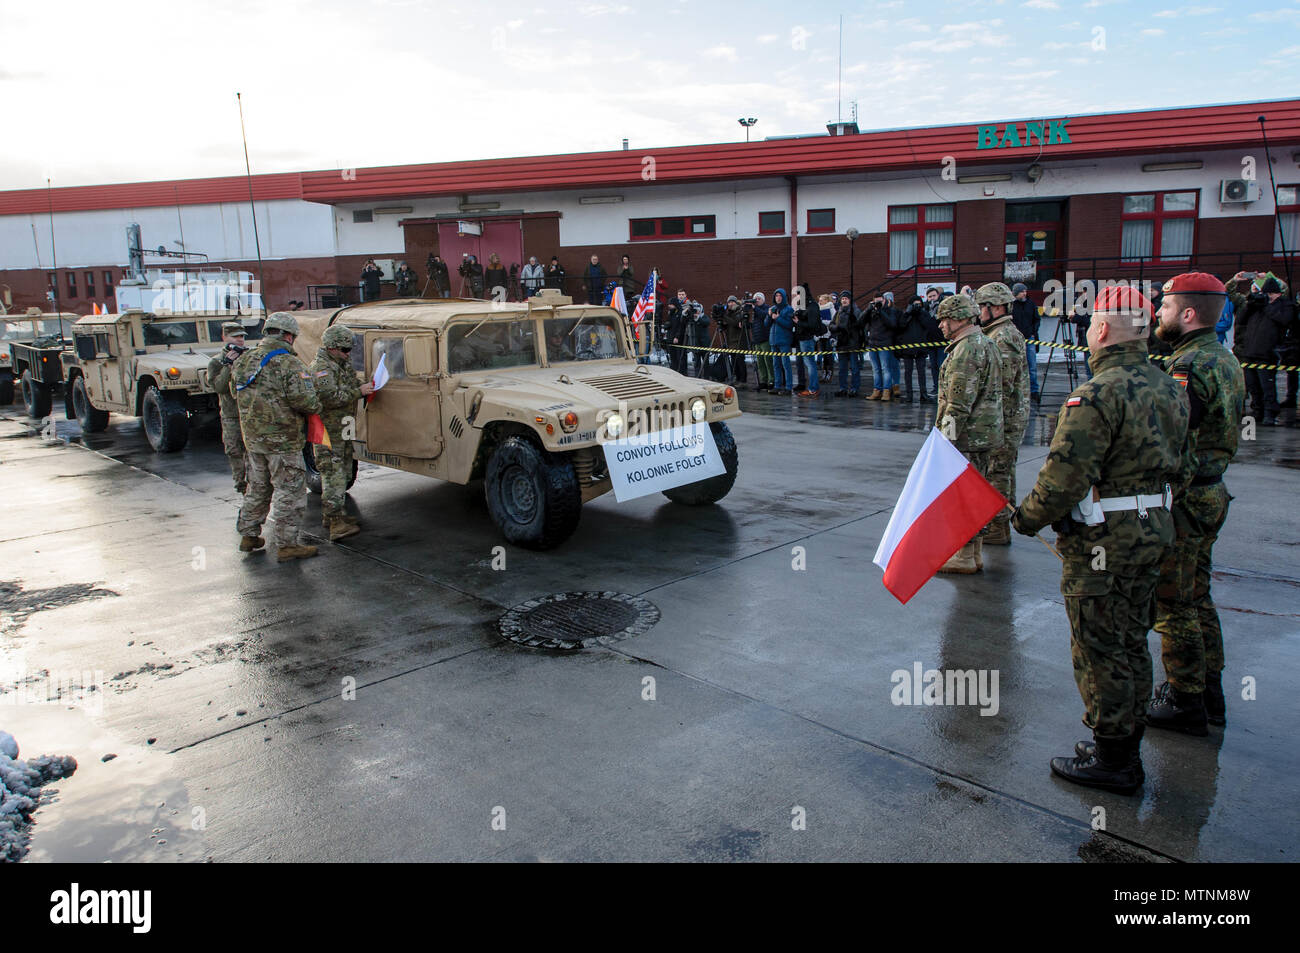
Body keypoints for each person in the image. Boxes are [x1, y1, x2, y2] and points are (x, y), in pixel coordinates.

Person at [1011, 285, 1190, 795]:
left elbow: (1064, 477)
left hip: (1103, 544)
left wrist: (1024, 519)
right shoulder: (1169, 386)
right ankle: (1122, 744)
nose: (1088, 333)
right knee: (1132, 641)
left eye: (1091, 324)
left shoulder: (1096, 394)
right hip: (1153, 532)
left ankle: (1114, 760)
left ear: (1103, 330)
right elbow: (1185, 462)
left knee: (1099, 650)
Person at [1148, 273, 1246, 735]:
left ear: (1188, 314)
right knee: (1198, 595)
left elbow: (1172, 436)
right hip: (1212, 490)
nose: (1158, 314)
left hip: (1187, 497)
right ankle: (1210, 693)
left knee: (1174, 602)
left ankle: (1184, 700)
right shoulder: (1223, 358)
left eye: (1165, 307)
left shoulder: (1188, 366)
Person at [231, 312, 323, 562]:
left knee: (258, 487)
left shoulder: (245, 359)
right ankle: (286, 544)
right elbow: (305, 401)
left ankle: (249, 534)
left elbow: (233, 391)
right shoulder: (289, 363)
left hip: (253, 439)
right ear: (288, 335)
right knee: (289, 490)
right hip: (282, 441)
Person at [933, 294, 1003, 574]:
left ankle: (963, 555)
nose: (941, 325)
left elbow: (958, 405)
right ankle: (973, 553)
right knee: (975, 496)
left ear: (961, 318)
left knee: (961, 497)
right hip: (984, 436)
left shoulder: (965, 352)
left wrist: (944, 443)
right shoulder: (986, 343)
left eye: (945, 319)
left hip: (966, 439)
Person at [975, 282, 1030, 545]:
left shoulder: (1003, 336)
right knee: (1002, 471)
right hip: (1004, 415)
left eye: (981, 306)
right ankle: (999, 525)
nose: (978, 312)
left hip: (1004, 417)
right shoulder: (998, 332)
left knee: (997, 472)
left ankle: (997, 527)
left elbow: (1002, 380)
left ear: (995, 307)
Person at [309, 324, 376, 542]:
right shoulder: (322, 368)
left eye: (350, 350)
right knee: (333, 474)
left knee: (345, 468)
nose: (349, 354)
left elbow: (350, 382)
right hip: (330, 430)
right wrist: (359, 392)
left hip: (345, 425)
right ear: (332, 347)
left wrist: (365, 385)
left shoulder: (340, 363)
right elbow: (329, 397)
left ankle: (336, 516)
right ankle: (335, 522)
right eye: (345, 350)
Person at [1227, 271, 1291, 426]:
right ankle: (1257, 412)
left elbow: (1284, 320)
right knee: (1252, 385)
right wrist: (1251, 303)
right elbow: (1241, 319)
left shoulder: (1284, 305)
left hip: (1267, 353)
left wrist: (1268, 305)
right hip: (1249, 351)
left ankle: (1270, 412)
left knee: (1267, 386)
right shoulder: (1255, 305)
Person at [207, 321, 250, 494]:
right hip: (232, 415)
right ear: (225, 338)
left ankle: (257, 484)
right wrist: (228, 366)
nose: (240, 340)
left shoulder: (249, 357)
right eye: (235, 337)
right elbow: (219, 387)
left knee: (254, 451)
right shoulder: (217, 362)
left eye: (242, 337)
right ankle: (241, 485)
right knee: (235, 451)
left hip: (251, 412)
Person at [895, 295, 929, 403]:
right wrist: (908, 313)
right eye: (914, 304)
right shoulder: (905, 314)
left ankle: (924, 394)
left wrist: (919, 313)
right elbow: (900, 326)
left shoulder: (924, 313)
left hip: (921, 347)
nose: (916, 306)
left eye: (918, 304)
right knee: (908, 372)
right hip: (907, 348)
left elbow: (927, 325)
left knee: (921, 372)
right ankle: (909, 395)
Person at [1010, 283, 1041, 403]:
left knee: (1031, 366)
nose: (1025, 293)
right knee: (1015, 366)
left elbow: (1037, 319)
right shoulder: (1012, 306)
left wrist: (1033, 332)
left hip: (1029, 338)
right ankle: (1017, 391)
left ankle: (1034, 391)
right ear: (1016, 293)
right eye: (1022, 291)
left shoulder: (1030, 304)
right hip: (1015, 340)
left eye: (1025, 291)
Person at [831, 290, 863, 396]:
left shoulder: (855, 311)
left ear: (850, 300)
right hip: (841, 343)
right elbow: (831, 325)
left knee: (854, 368)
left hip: (852, 342)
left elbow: (860, 324)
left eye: (846, 298)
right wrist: (837, 328)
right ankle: (842, 388)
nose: (844, 300)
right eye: (842, 299)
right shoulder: (838, 312)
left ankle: (855, 388)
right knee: (842, 368)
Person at [793, 283, 820, 397]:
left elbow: (812, 324)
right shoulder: (804, 305)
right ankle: (809, 386)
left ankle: (813, 388)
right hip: (801, 338)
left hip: (807, 338)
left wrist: (798, 322)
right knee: (805, 363)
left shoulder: (812, 306)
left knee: (810, 364)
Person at [768, 288, 795, 395]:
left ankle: (788, 387)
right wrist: (770, 316)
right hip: (773, 340)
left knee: (786, 364)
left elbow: (789, 325)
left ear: (783, 297)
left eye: (780, 296)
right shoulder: (773, 308)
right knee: (776, 364)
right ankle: (777, 385)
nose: (778, 298)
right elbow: (766, 324)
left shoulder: (789, 309)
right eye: (776, 296)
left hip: (784, 340)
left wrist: (777, 318)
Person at [720, 295, 748, 383]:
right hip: (731, 341)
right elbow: (727, 326)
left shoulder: (740, 311)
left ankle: (743, 380)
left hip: (739, 341)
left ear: (736, 303)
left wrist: (724, 316)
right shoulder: (729, 313)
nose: (730, 304)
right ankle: (737, 378)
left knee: (740, 361)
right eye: (729, 302)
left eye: (732, 302)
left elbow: (735, 322)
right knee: (733, 362)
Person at [751, 292, 772, 391]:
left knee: (768, 360)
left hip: (765, 338)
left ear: (763, 299)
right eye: (756, 299)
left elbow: (764, 315)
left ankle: (771, 380)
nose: (757, 300)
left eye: (759, 298)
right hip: (757, 339)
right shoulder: (753, 311)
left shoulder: (766, 308)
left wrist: (755, 308)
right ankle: (763, 380)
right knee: (760, 362)